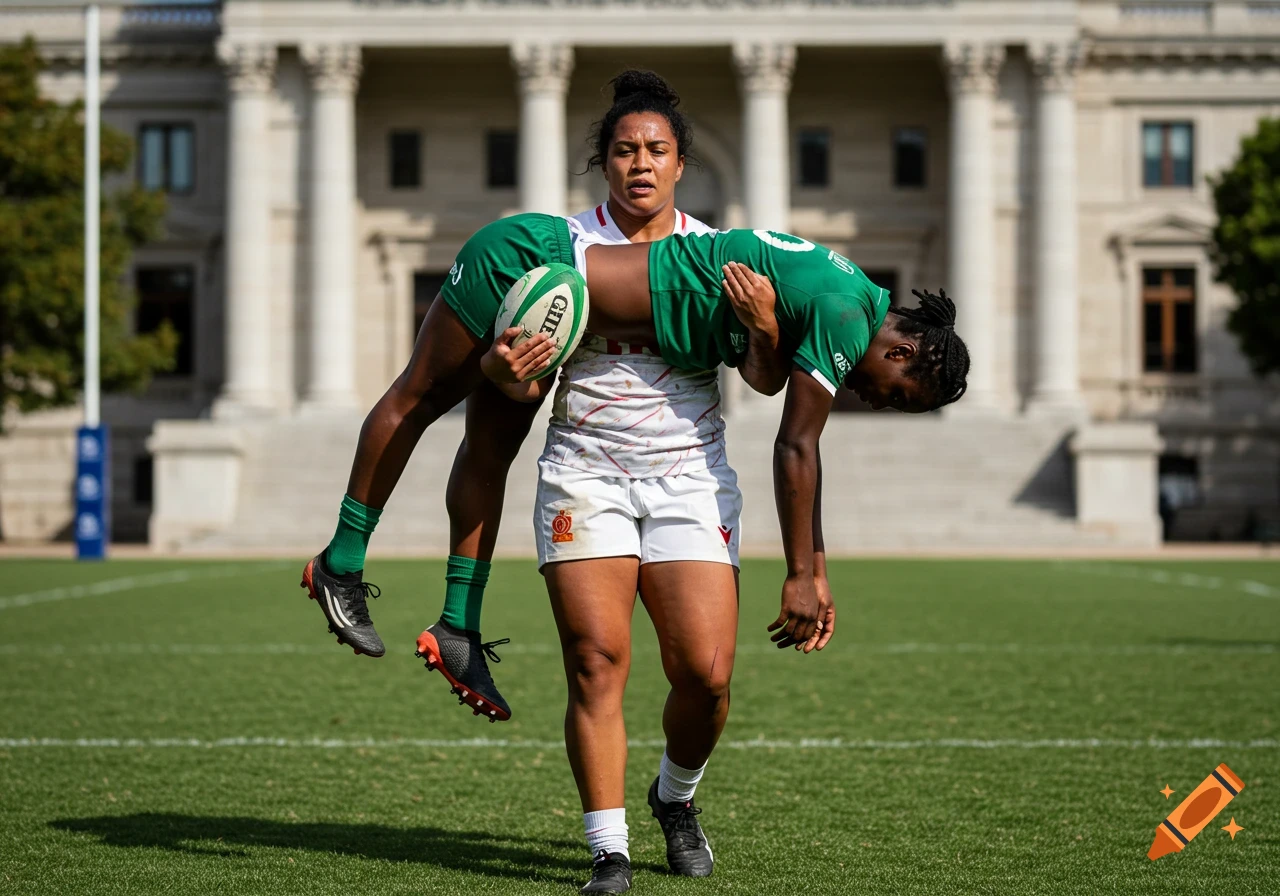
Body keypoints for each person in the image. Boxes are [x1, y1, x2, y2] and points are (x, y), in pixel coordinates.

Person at [298, 149, 971, 728]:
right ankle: (342, 558)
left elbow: (765, 384)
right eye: (898, 392)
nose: (878, 399)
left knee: (492, 450)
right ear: (907, 350)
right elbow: (796, 446)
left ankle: (457, 624)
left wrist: (816, 568)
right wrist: (802, 573)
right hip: (531, 262)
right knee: (418, 401)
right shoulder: (847, 316)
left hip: (564, 298)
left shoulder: (842, 293)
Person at [496, 71, 782, 894]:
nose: (640, 164)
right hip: (584, 473)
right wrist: (501, 363)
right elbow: (515, 380)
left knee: (706, 673)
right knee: (596, 661)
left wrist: (762, 327)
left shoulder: (717, 254)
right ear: (604, 163)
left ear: (681, 163)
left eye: (656, 150)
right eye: (625, 151)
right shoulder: (561, 254)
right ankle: (608, 851)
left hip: (689, 475)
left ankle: (675, 797)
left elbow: (762, 379)